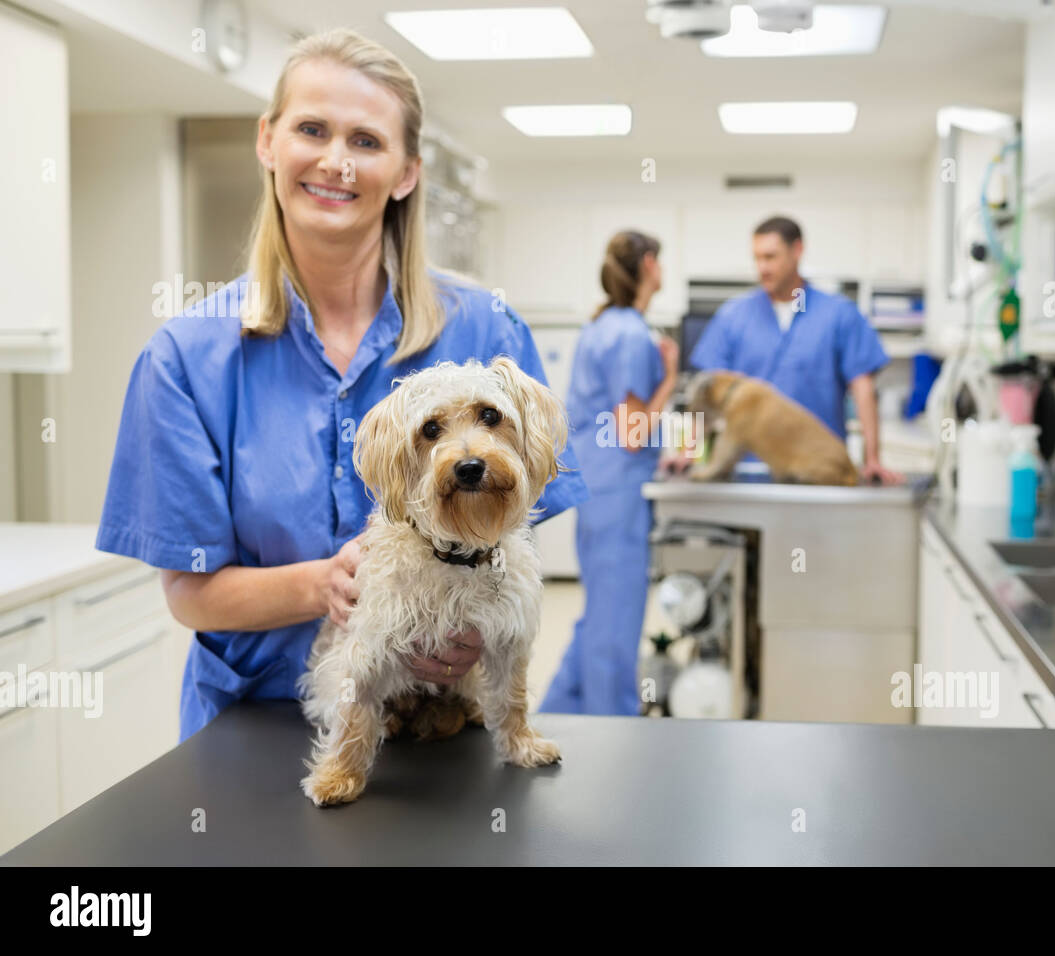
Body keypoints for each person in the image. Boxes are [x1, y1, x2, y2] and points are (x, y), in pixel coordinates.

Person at [95, 29, 587, 742]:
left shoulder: (488, 330)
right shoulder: (185, 359)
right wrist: (324, 585)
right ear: (268, 141)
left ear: (407, 171)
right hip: (253, 726)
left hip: (441, 737)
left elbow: (520, 527)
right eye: (312, 129)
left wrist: (472, 628)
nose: (334, 161)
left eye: (365, 140)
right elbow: (190, 593)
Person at [540, 231, 677, 715]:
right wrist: (672, 378)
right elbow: (633, 433)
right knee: (616, 620)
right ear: (648, 265)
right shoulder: (632, 335)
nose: (663, 269)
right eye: (660, 261)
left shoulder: (603, 326)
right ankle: (615, 728)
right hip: (619, 492)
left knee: (599, 611)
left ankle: (556, 713)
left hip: (597, 488)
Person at [689, 215, 905, 485]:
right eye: (757, 258)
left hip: (816, 473)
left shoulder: (838, 314)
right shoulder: (733, 316)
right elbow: (703, 394)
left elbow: (863, 389)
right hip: (747, 473)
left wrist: (873, 458)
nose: (762, 267)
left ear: (797, 251)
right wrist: (687, 452)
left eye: (771, 257)